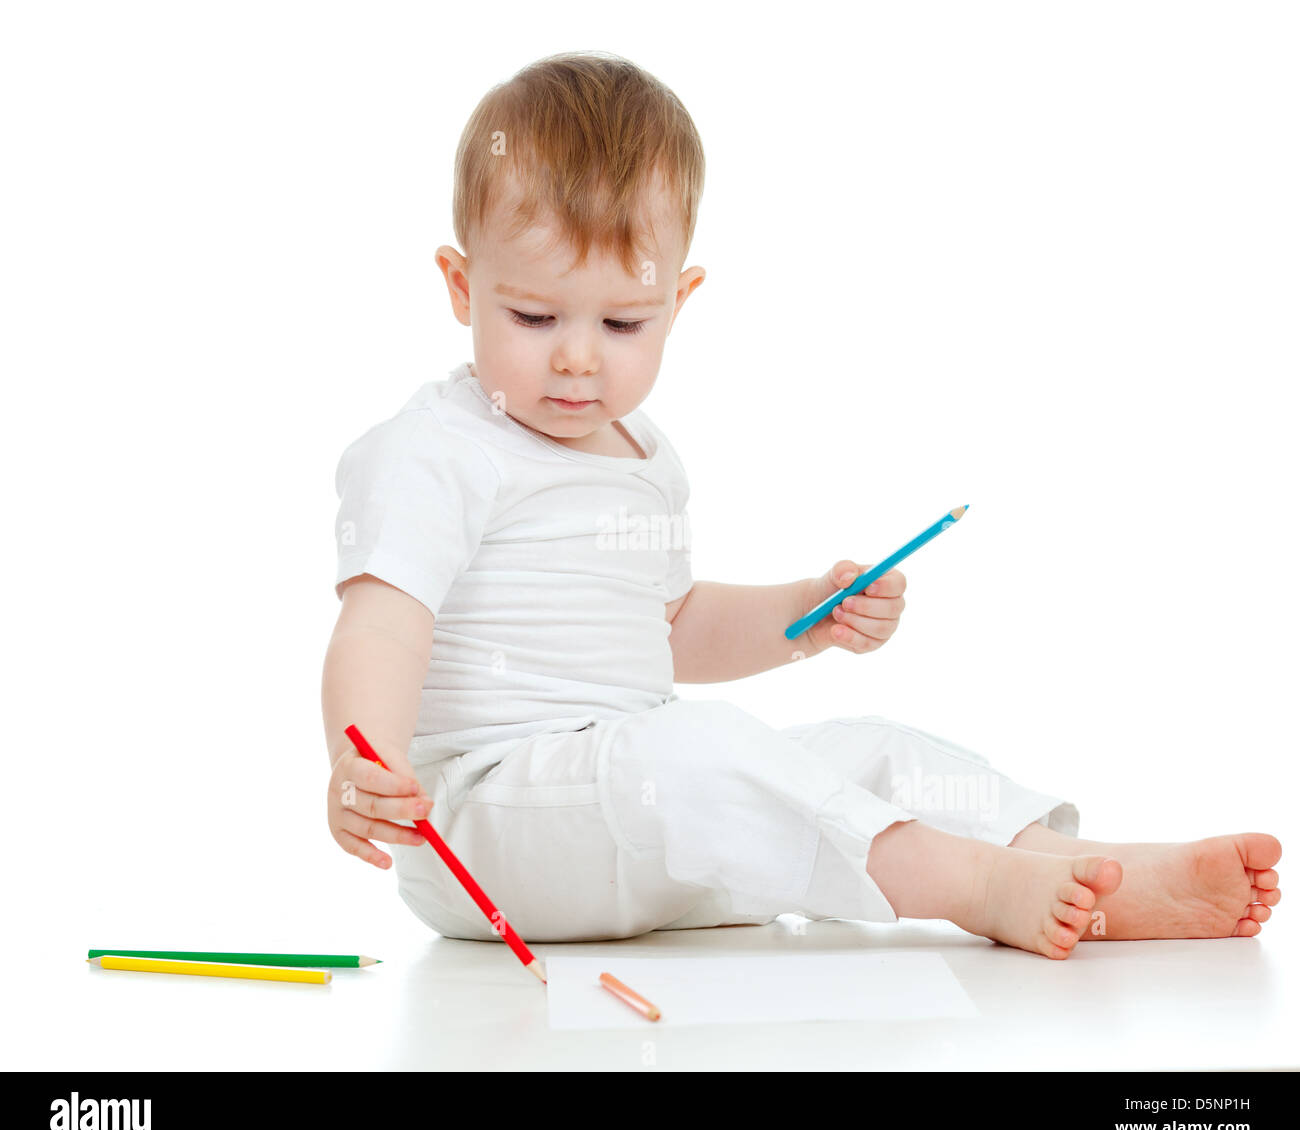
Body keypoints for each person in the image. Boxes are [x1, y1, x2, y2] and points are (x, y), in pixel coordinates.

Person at [321, 52, 1280, 959]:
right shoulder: (437, 449)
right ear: (461, 286)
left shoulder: (646, 460)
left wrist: (804, 618)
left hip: (652, 832)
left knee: (875, 750)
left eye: (622, 323)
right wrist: (364, 759)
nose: (577, 357)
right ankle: (974, 886)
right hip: (486, 839)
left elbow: (675, 628)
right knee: (698, 754)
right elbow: (382, 628)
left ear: (680, 301)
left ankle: (1081, 868)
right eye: (534, 317)